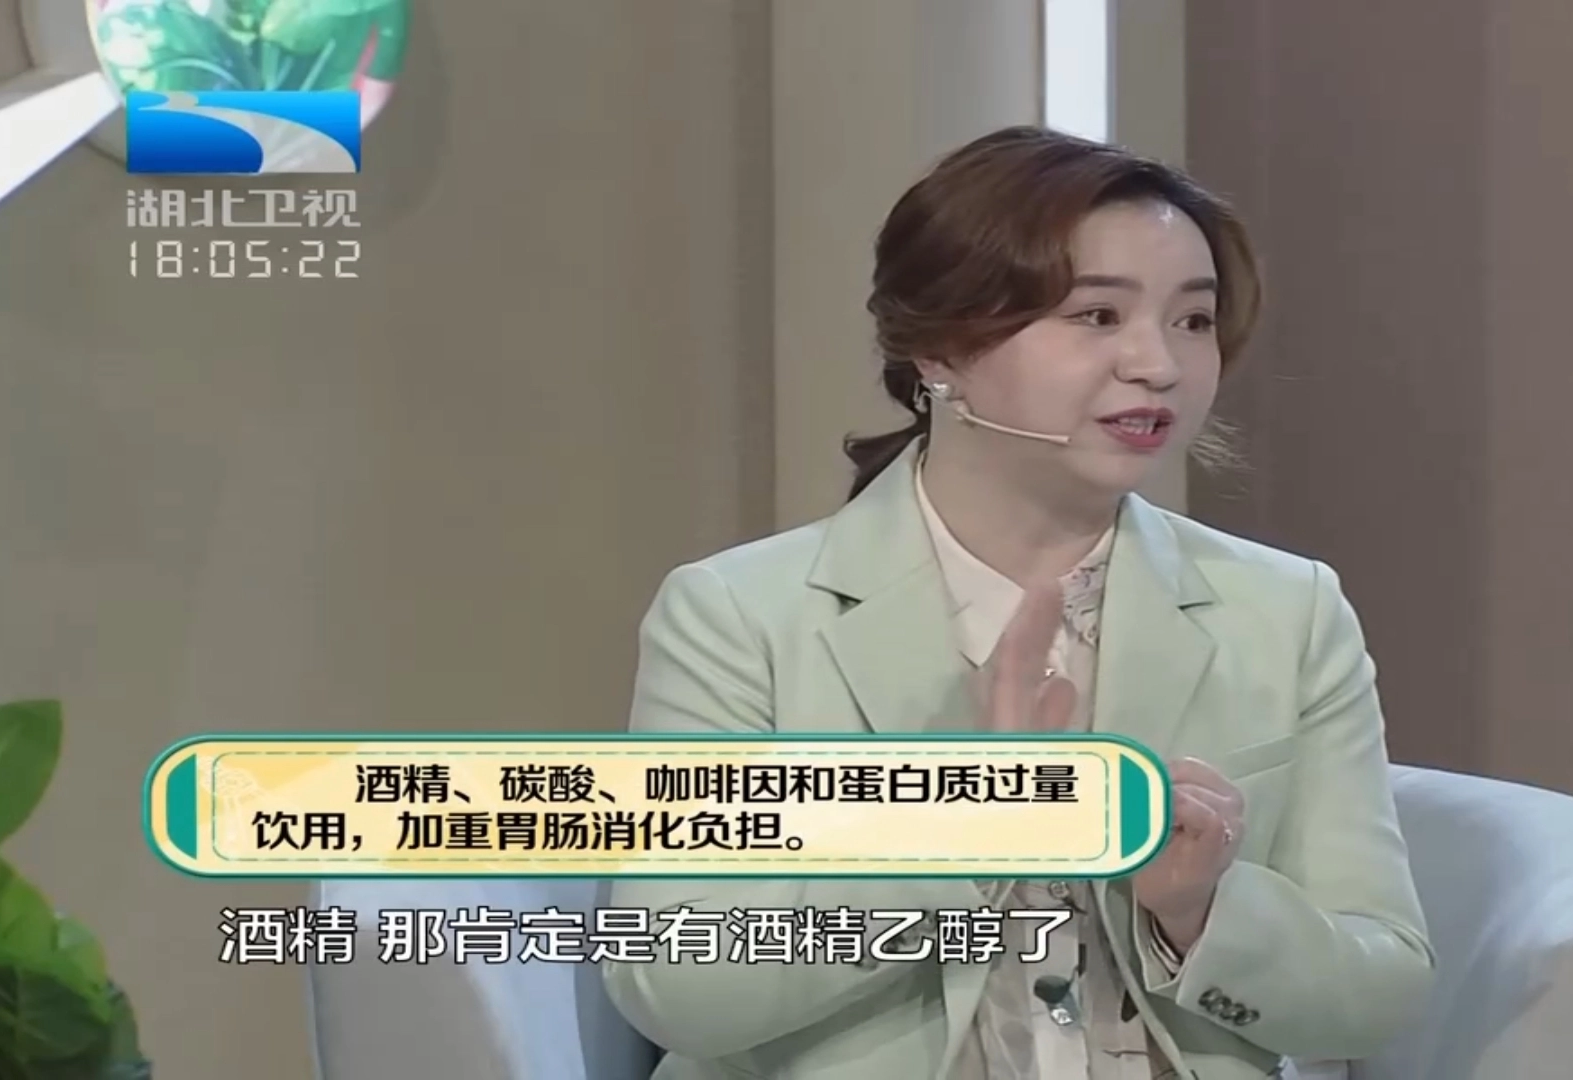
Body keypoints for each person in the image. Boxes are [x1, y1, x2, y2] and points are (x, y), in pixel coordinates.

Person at [604, 125, 1434, 1080]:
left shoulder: (1287, 610)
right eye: (1097, 316)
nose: (1158, 365)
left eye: (1193, 320)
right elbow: (676, 983)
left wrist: (1200, 913)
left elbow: (1380, 986)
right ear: (939, 349)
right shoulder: (740, 617)